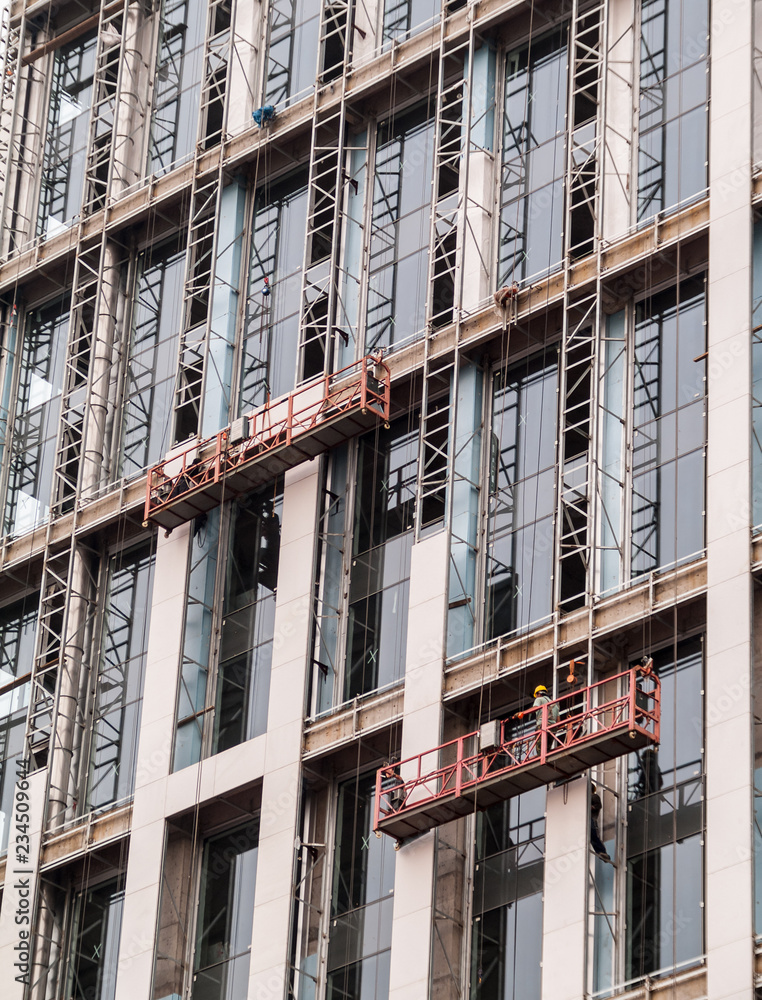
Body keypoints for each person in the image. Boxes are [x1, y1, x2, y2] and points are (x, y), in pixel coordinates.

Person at [590, 783, 612, 864]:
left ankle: (602, 853)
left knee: (594, 837)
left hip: (591, 819)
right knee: (592, 839)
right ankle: (601, 853)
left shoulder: (594, 796)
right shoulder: (587, 797)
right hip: (588, 820)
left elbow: (598, 805)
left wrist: (592, 807)